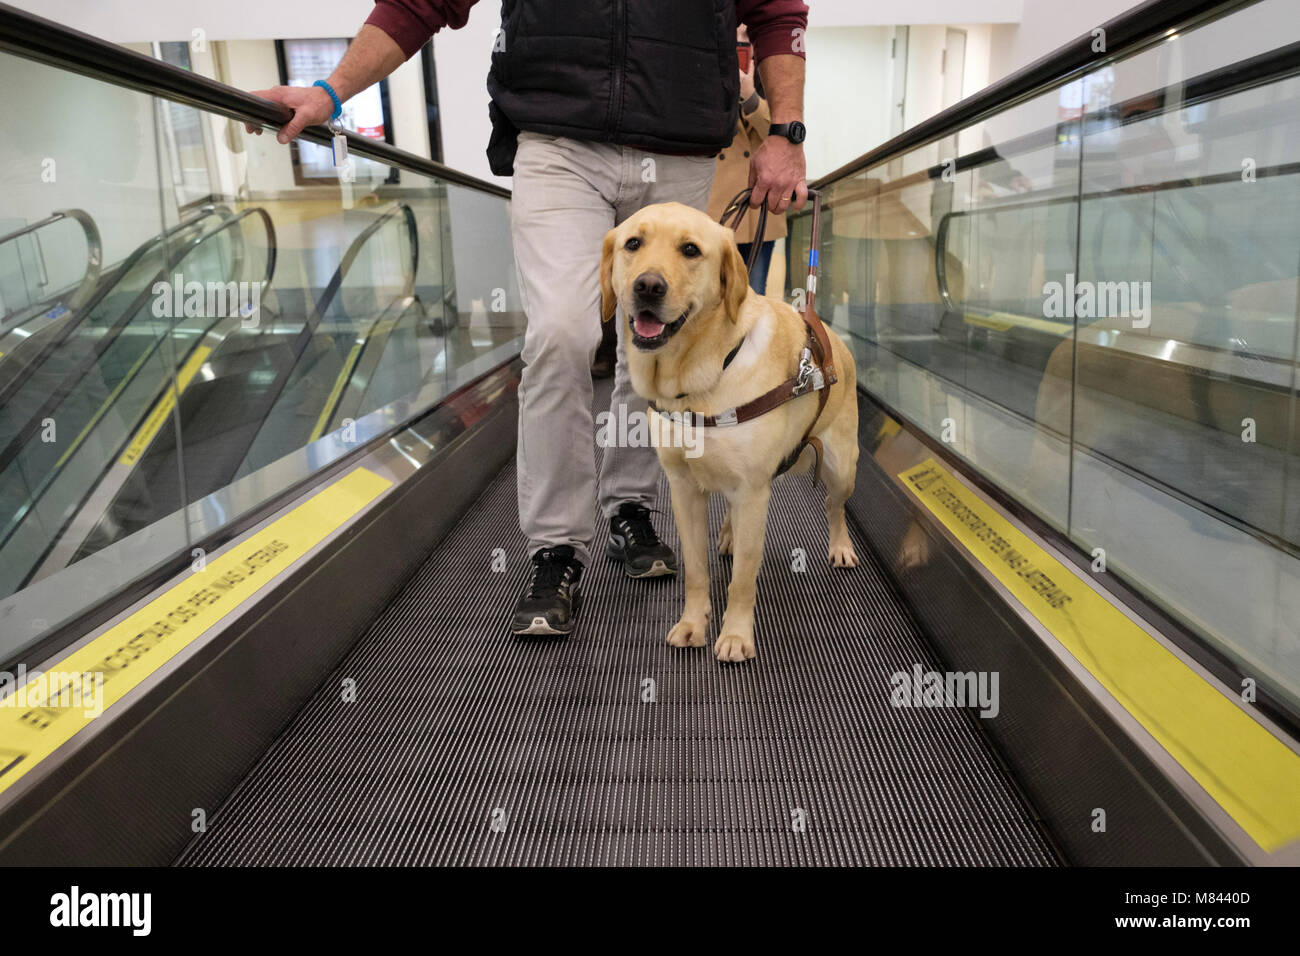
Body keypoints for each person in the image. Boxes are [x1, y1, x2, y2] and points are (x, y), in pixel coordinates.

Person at [249, 0, 811, 638]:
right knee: (561, 335)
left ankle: (631, 507)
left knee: (655, 341)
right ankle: (557, 548)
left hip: (677, 143)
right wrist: (331, 89)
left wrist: (785, 131)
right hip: (558, 140)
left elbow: (776, 9)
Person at [706, 24, 788, 295]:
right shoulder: (705, 73)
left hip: (760, 207)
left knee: (754, 295)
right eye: (735, 36)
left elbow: (782, 137)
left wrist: (751, 96)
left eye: (747, 37)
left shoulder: (775, 79)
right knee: (713, 294)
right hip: (717, 208)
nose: (741, 43)